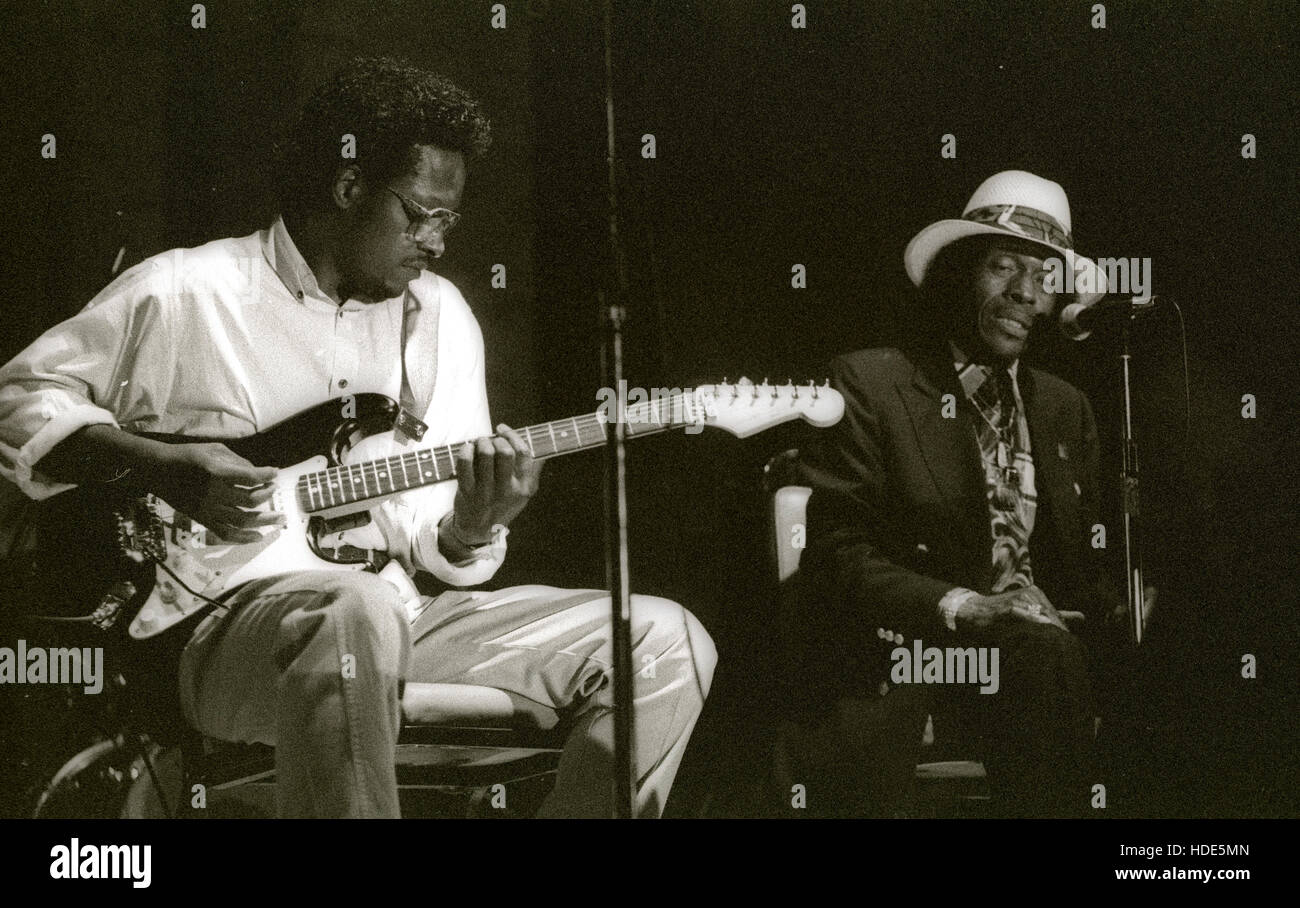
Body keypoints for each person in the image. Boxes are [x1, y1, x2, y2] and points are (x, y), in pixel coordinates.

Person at [0, 57, 716, 818]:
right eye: (420, 215)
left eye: (451, 221)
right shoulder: (186, 292)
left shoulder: (437, 317)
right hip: (213, 630)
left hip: (397, 616)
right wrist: (167, 469)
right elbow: (17, 402)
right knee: (352, 608)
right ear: (348, 191)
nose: (438, 243)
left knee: (665, 640)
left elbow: (431, 541)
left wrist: (474, 527)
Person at [795, 170, 1140, 817]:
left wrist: (1133, 606)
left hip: (1044, 656)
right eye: (1002, 267)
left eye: (1042, 277)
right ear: (959, 273)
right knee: (1042, 657)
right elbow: (837, 553)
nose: (1023, 292)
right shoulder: (871, 381)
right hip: (919, 654)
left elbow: (1082, 566)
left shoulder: (1067, 407)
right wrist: (969, 606)